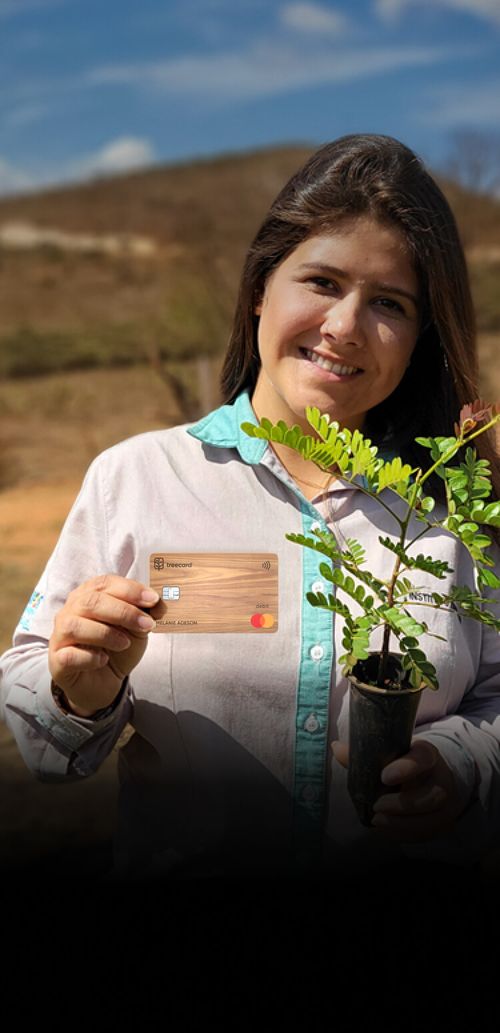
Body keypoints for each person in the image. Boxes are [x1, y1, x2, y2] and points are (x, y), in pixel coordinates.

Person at [1, 133, 500, 883]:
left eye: (389, 303)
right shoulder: (136, 478)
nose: (345, 326)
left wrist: (461, 764)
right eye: (323, 282)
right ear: (261, 287)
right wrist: (78, 690)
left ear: (419, 336)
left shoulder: (453, 505)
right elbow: (39, 727)